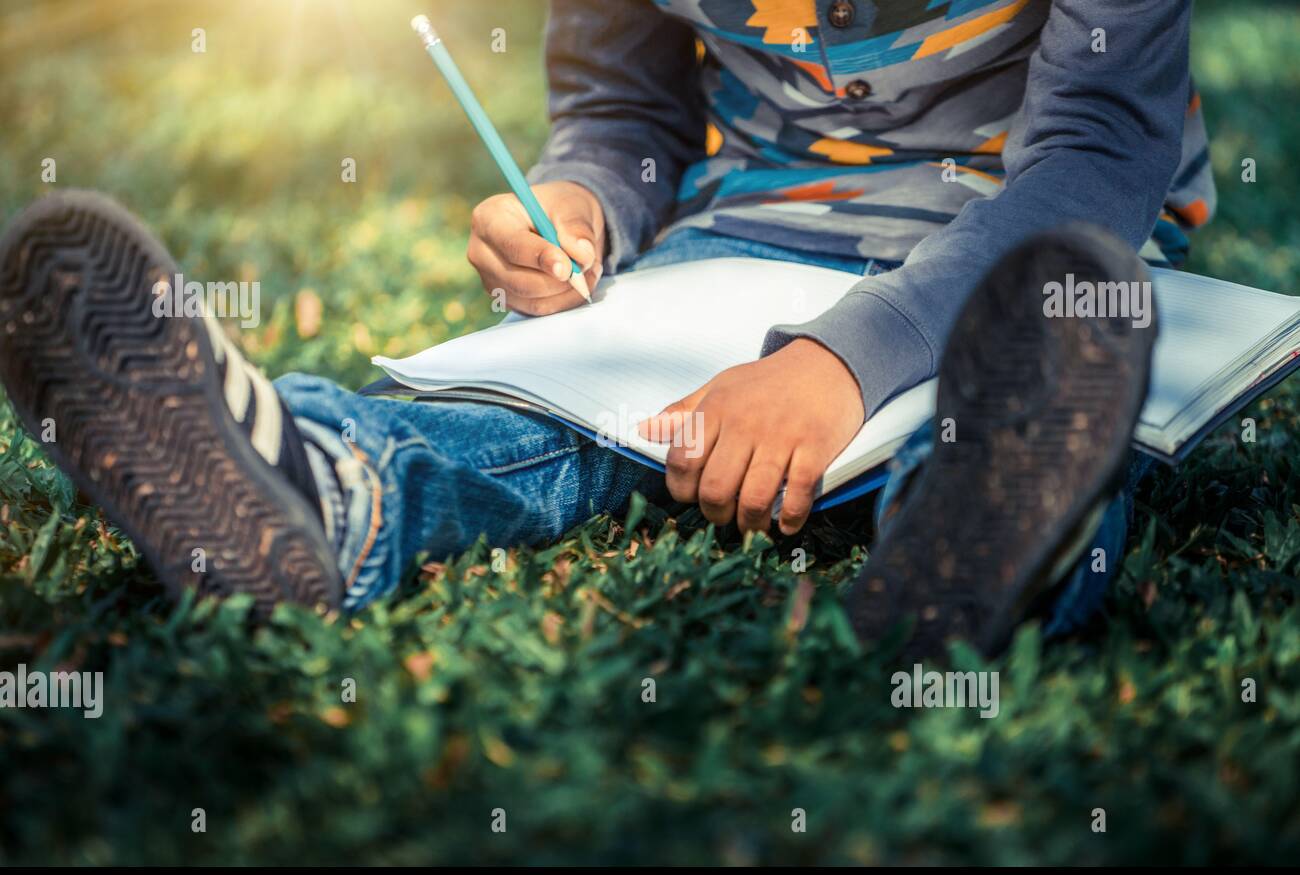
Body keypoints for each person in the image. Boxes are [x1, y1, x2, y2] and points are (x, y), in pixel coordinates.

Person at [0, 0, 1214, 655]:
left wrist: (842, 362)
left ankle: (972, 542)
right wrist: (579, 204)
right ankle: (321, 486)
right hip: (743, 237)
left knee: (1013, 388)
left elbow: (1096, 155)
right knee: (564, 409)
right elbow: (623, 107)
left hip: (1022, 252)